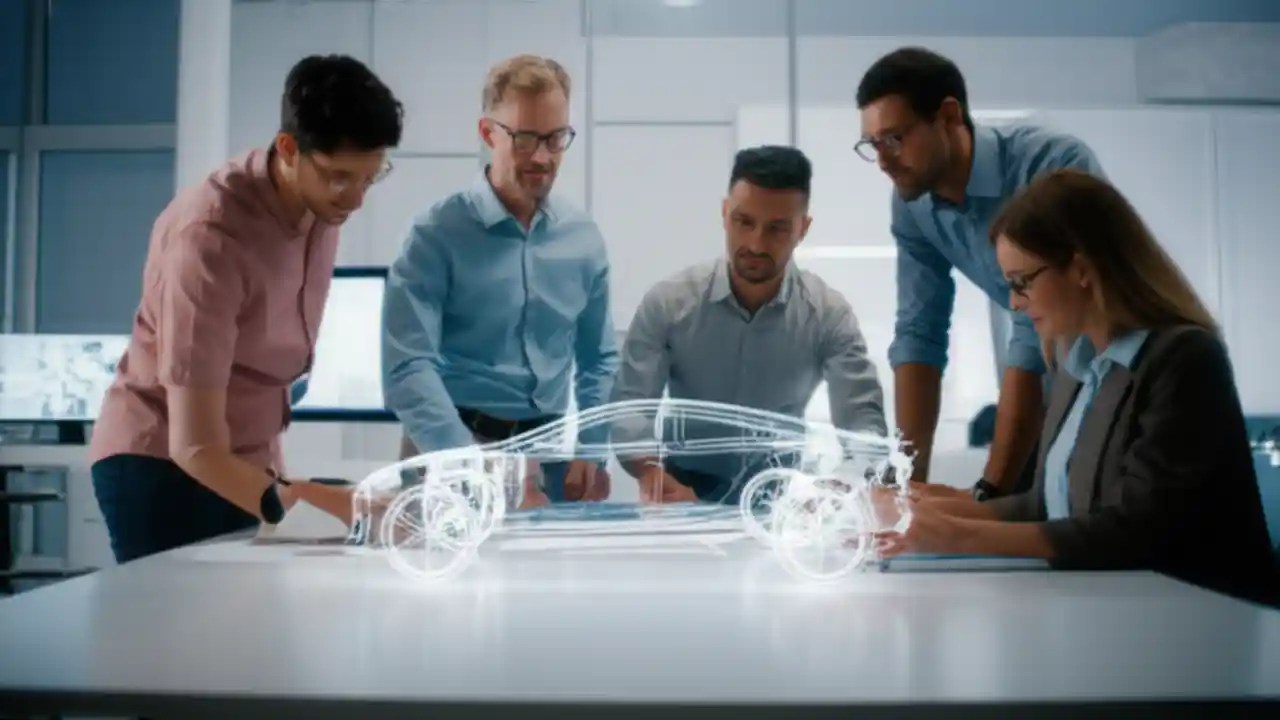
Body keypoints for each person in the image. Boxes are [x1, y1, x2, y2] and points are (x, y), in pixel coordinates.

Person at [875, 170, 1280, 608]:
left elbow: (1138, 530)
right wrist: (934, 510)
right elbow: (1052, 506)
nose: (1013, 302)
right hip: (1116, 604)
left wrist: (961, 534)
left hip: (1204, 614)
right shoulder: (1076, 367)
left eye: (1021, 282)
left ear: (1083, 270)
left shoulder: (1184, 358)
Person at [88, 55, 404, 563]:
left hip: (244, 461)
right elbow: (194, 447)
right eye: (341, 177)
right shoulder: (210, 236)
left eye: (371, 177)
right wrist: (336, 505)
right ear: (288, 149)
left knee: (251, 630)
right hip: (163, 462)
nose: (357, 199)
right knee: (176, 638)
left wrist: (296, 490)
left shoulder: (322, 205)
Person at [856, 47, 1106, 499]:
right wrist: (907, 484)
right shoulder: (913, 205)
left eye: (894, 139)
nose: (883, 161)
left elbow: (1032, 328)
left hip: (1104, 389)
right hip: (1035, 400)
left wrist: (989, 490)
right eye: (872, 144)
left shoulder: (1048, 166)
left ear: (949, 116)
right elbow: (919, 332)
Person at [382, 54, 617, 505]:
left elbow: (599, 359)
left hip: (549, 460)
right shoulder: (434, 235)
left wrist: (592, 448)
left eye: (556, 138)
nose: (543, 157)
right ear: (488, 133)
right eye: (526, 138)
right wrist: (468, 464)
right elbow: (407, 367)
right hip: (451, 448)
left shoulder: (583, 239)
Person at [611, 145, 886, 504]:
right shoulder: (668, 303)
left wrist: (842, 488)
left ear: (803, 228)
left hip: (782, 499)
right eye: (744, 222)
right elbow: (631, 405)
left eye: (777, 229)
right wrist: (651, 474)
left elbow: (864, 427)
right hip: (681, 491)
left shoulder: (829, 315)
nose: (756, 244)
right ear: (725, 213)